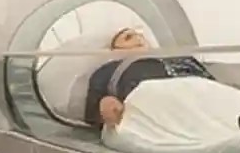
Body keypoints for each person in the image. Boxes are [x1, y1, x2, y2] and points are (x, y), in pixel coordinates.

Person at [85, 27, 215, 127]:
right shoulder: (109, 70)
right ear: (115, 50)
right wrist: (105, 105)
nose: (139, 38)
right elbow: (92, 114)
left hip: (205, 104)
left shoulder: (183, 58)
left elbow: (213, 85)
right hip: (164, 112)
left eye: (141, 35)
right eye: (128, 37)